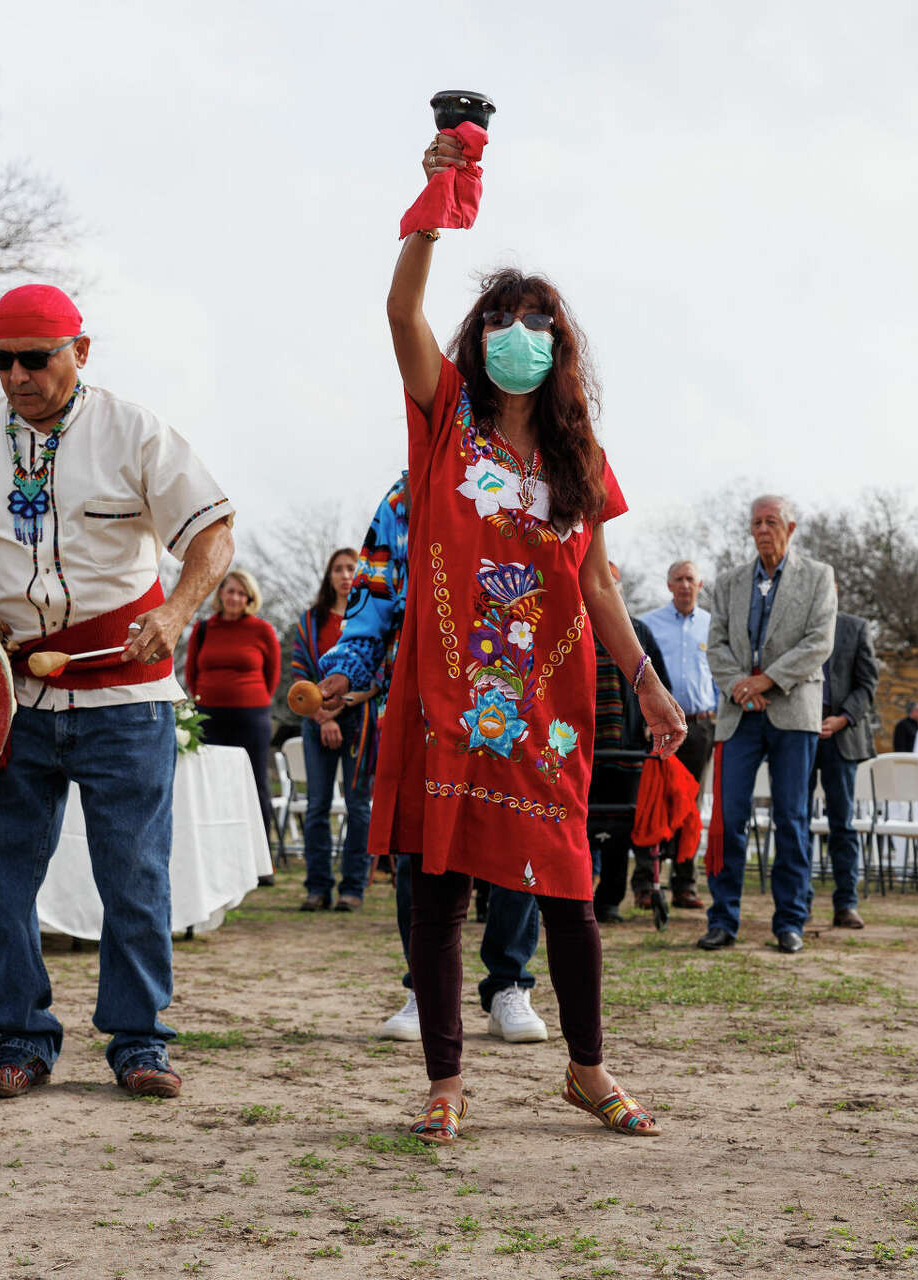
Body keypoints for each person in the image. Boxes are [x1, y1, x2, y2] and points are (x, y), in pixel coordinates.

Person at [347, 130, 685, 1143]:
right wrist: (434, 206)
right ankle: (445, 1080)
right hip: (452, 690)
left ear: (559, 343)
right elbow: (401, 310)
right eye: (502, 318)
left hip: (551, 701)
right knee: (439, 887)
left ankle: (585, 1066)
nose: (519, 333)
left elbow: (592, 582)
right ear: (479, 335)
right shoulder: (444, 416)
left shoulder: (582, 460)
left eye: (538, 321)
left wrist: (649, 678)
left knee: (569, 888)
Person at [0, 283, 233, 1101]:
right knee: (0, 875)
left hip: (129, 693)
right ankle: (20, 1039)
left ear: (81, 351)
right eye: (0, 359)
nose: (16, 375)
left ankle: (140, 1041)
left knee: (136, 876)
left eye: (34, 358)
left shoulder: (136, 432)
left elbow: (213, 536)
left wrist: (179, 610)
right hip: (10, 699)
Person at [313, 474, 553, 1045]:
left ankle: (508, 984)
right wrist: (347, 669)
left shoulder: (531, 482)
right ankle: (426, 986)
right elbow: (370, 606)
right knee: (420, 840)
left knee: (515, 832)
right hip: (419, 693)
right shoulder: (404, 497)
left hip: (509, 687)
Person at [698, 495, 837, 955]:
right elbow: (715, 643)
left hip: (793, 712)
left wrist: (767, 681)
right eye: (756, 522)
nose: (762, 529)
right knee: (727, 819)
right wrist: (741, 685)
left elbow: (820, 642)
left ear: (791, 528)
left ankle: (791, 920)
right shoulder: (729, 583)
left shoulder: (818, 576)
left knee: (791, 818)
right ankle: (722, 919)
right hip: (738, 715)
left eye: (771, 521)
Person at [290, 547, 378, 912]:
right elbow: (298, 677)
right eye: (338, 569)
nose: (345, 575)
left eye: (351, 569)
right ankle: (317, 887)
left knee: (358, 808)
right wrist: (321, 718)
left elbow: (379, 673)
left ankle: (352, 888)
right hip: (315, 721)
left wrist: (346, 703)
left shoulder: (369, 620)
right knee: (317, 807)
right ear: (329, 576)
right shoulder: (309, 622)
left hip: (359, 721)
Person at [591, 563, 671, 920]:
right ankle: (574, 897)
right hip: (576, 746)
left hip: (624, 745)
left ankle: (609, 900)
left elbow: (660, 683)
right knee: (579, 825)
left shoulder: (637, 631)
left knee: (620, 826)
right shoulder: (570, 624)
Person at [185, 567, 281, 851]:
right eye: (231, 591)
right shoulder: (202, 630)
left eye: (242, 593)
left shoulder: (262, 630)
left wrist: (248, 699)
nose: (235, 597)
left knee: (256, 785)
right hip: (209, 717)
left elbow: (272, 676)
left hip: (251, 718)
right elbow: (191, 673)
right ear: (221, 593)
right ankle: (215, 853)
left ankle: (260, 858)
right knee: (211, 785)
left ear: (249, 598)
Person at [637, 560, 715, 907]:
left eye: (691, 580)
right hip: (658, 727)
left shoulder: (714, 627)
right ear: (669, 585)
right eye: (678, 579)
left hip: (699, 726)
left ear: (701, 585)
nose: (685, 585)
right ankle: (644, 883)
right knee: (650, 800)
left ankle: (685, 884)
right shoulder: (648, 625)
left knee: (690, 805)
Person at [813, 612, 878, 929]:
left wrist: (842, 719)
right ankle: (798, 900)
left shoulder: (856, 627)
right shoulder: (796, 623)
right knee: (795, 818)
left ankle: (846, 904)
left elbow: (867, 685)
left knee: (843, 822)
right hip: (800, 731)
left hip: (842, 736)